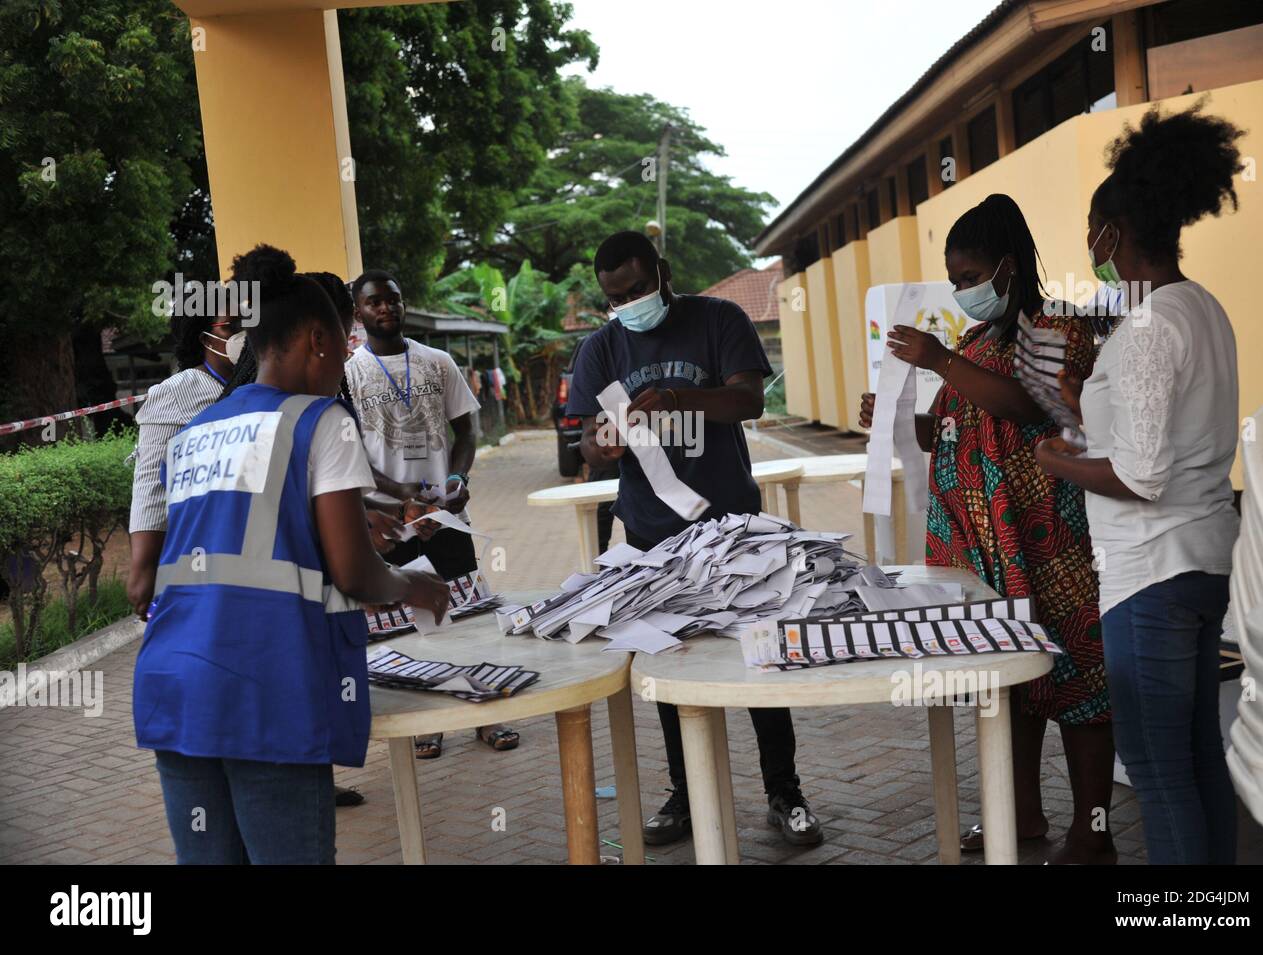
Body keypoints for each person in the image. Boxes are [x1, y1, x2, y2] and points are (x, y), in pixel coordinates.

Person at [133, 245, 450, 864]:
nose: (347, 362)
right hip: (263, 690)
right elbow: (355, 573)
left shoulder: (199, 430)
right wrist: (417, 586)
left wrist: (354, 525)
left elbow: (250, 524)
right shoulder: (321, 419)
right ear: (317, 341)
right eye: (344, 344)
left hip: (175, 686)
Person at [860, 194, 1115, 864]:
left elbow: (1023, 404)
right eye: (954, 281)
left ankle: (1094, 830)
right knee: (1013, 685)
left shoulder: (1057, 326)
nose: (961, 290)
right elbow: (954, 426)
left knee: (1081, 685)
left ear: (1007, 265)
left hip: (1050, 547)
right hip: (983, 557)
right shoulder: (975, 342)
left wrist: (939, 360)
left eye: (969, 276)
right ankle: (1021, 814)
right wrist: (891, 416)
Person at [1035, 103, 1244, 864]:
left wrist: (1056, 459)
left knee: (1158, 773)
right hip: (1200, 561)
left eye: (1092, 233)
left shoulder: (1152, 324)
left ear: (1114, 233)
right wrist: (1080, 399)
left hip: (1150, 573)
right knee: (1194, 759)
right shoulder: (1203, 308)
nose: (1089, 250)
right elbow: (1157, 446)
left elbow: (1140, 474)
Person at [568, 230, 822, 848]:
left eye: (636, 288)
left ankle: (784, 790)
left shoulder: (717, 319)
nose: (629, 303)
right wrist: (602, 445)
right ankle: (684, 794)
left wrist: (679, 398)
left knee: (762, 655)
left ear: (663, 271)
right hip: (652, 537)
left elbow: (748, 400)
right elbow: (587, 447)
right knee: (667, 663)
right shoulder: (601, 349)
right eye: (615, 297)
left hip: (732, 527)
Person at [344, 268, 519, 758]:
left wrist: (460, 479)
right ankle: (428, 718)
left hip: (444, 514)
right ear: (358, 312)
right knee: (409, 618)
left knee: (467, 611)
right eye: (374, 302)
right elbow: (346, 451)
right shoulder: (347, 375)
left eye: (393, 300)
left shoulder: (437, 362)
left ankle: (488, 711)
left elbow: (467, 431)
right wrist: (397, 494)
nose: (386, 309)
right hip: (389, 520)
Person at [127, 296, 240, 619]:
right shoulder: (177, 391)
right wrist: (143, 566)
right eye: (232, 327)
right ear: (206, 338)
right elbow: (151, 483)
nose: (244, 334)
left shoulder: (261, 382)